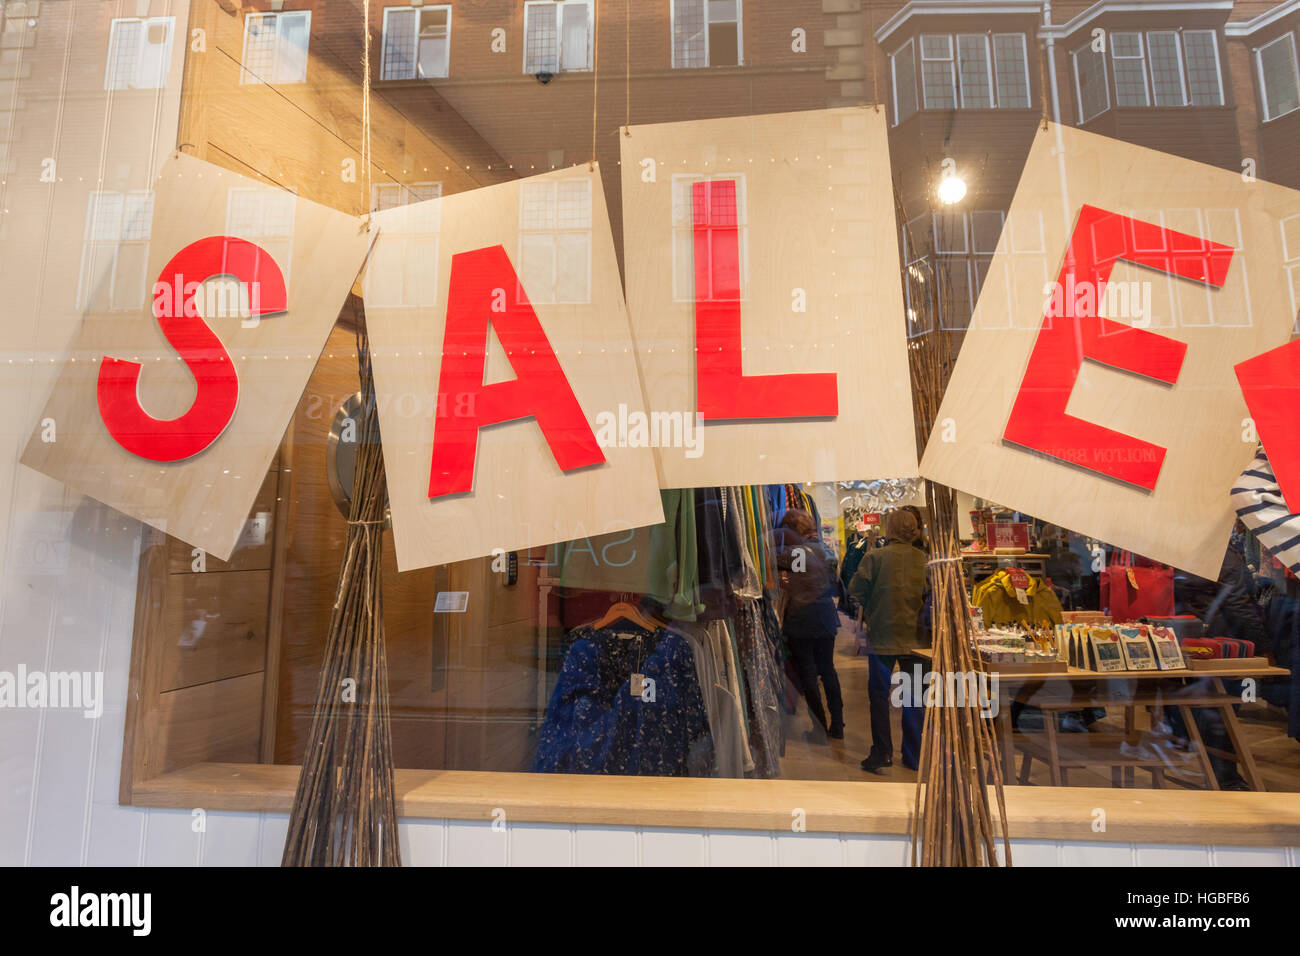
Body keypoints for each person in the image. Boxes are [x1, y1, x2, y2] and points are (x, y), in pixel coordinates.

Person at [849, 508, 929, 773]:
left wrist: (873, 609)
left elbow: (856, 590)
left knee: (879, 695)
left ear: (890, 529)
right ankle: (914, 755)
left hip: (882, 634)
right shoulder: (924, 561)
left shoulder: (875, 557)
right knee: (914, 696)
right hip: (917, 639)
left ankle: (882, 752)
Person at [775, 509, 845, 741]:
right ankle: (837, 725)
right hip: (825, 615)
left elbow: (775, 561)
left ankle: (819, 728)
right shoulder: (825, 550)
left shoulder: (796, 553)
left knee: (808, 672)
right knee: (828, 670)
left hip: (802, 616)